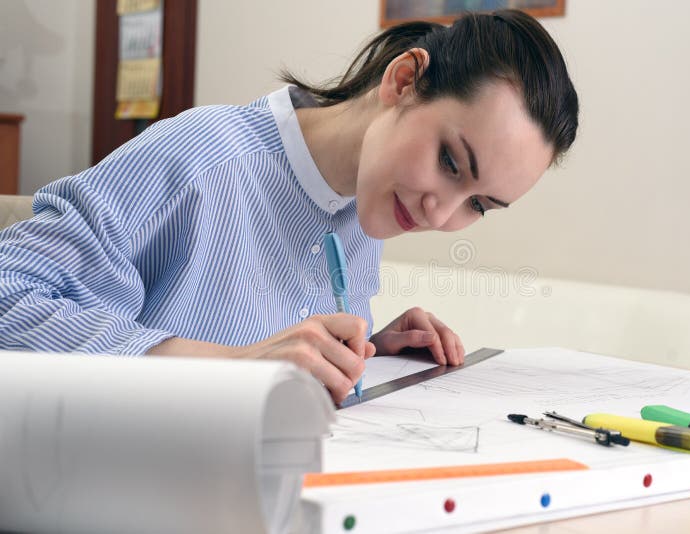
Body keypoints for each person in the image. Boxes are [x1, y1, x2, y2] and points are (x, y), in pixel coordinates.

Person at [0, 9, 578, 404]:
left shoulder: (366, 207)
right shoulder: (204, 159)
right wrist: (229, 368)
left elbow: (282, 352)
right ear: (404, 80)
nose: (437, 213)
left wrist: (371, 351)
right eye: (451, 161)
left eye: (477, 204)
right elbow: (10, 297)